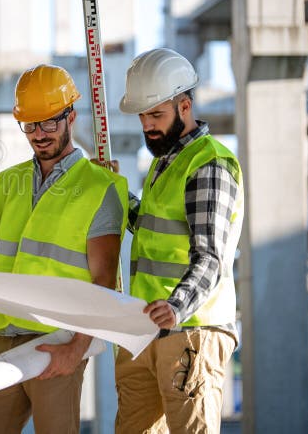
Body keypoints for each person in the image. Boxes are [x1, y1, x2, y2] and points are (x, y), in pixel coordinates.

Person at [0, 64, 128, 434]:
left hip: (55, 342)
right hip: (1, 339)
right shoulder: (8, 182)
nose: (39, 134)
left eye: (49, 123)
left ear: (71, 115)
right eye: (30, 125)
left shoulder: (101, 187)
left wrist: (76, 349)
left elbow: (104, 281)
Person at [113, 48, 243, 433]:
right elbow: (152, 226)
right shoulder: (164, 160)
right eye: (143, 117)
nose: (147, 126)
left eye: (156, 115)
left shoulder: (209, 164)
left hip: (190, 330)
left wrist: (176, 306)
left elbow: (210, 257)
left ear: (184, 106)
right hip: (147, 328)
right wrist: (117, 192)